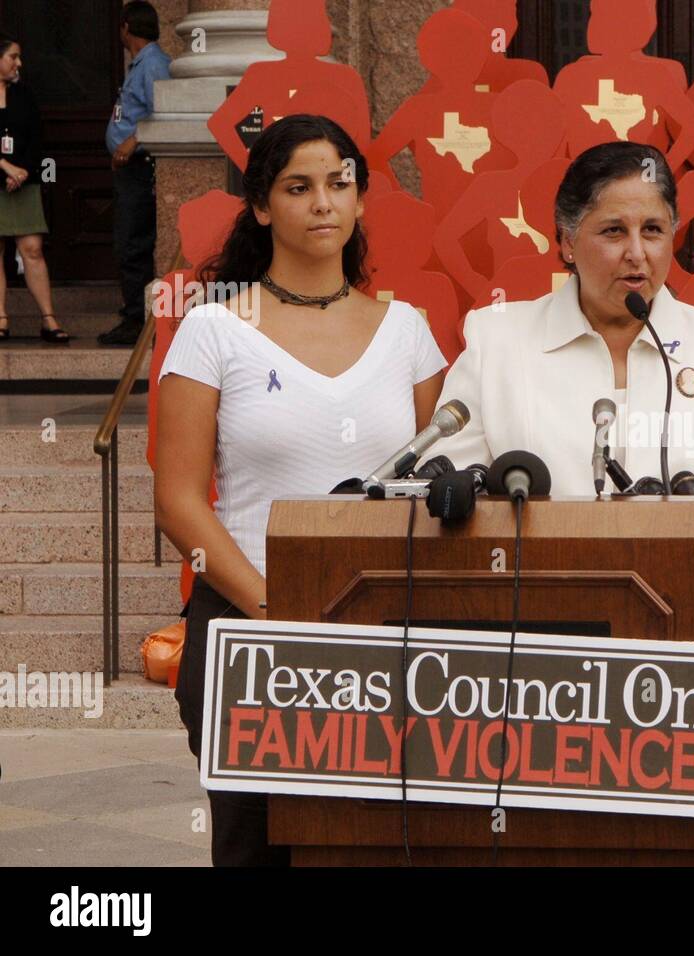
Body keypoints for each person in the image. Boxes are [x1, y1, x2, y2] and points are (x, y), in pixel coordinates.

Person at [154, 114, 447, 865]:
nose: (323, 202)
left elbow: (436, 480)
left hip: (385, 625)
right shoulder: (214, 329)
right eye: (298, 187)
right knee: (258, 848)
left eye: (339, 184)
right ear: (260, 206)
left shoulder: (407, 332)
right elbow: (178, 501)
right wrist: (274, 610)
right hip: (247, 623)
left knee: (378, 846)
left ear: (360, 200)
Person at [426, 140, 694, 686]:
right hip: (534, 662)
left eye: (653, 230)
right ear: (566, 241)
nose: (637, 253)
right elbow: (449, 495)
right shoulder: (498, 343)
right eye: (613, 231)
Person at [100, 1, 171, 346]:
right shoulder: (141, 63)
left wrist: (131, 142)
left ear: (127, 27)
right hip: (130, 169)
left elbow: (165, 112)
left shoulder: (153, 64)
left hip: (140, 168)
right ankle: (134, 314)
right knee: (128, 241)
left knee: (133, 243)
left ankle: (136, 320)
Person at [0, 33, 68, 343]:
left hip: (23, 183)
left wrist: (23, 170)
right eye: (13, 57)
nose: (19, 63)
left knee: (33, 249)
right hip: (4, 175)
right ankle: (1, 318)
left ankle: (48, 319)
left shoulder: (24, 94)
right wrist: (5, 167)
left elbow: (37, 136)